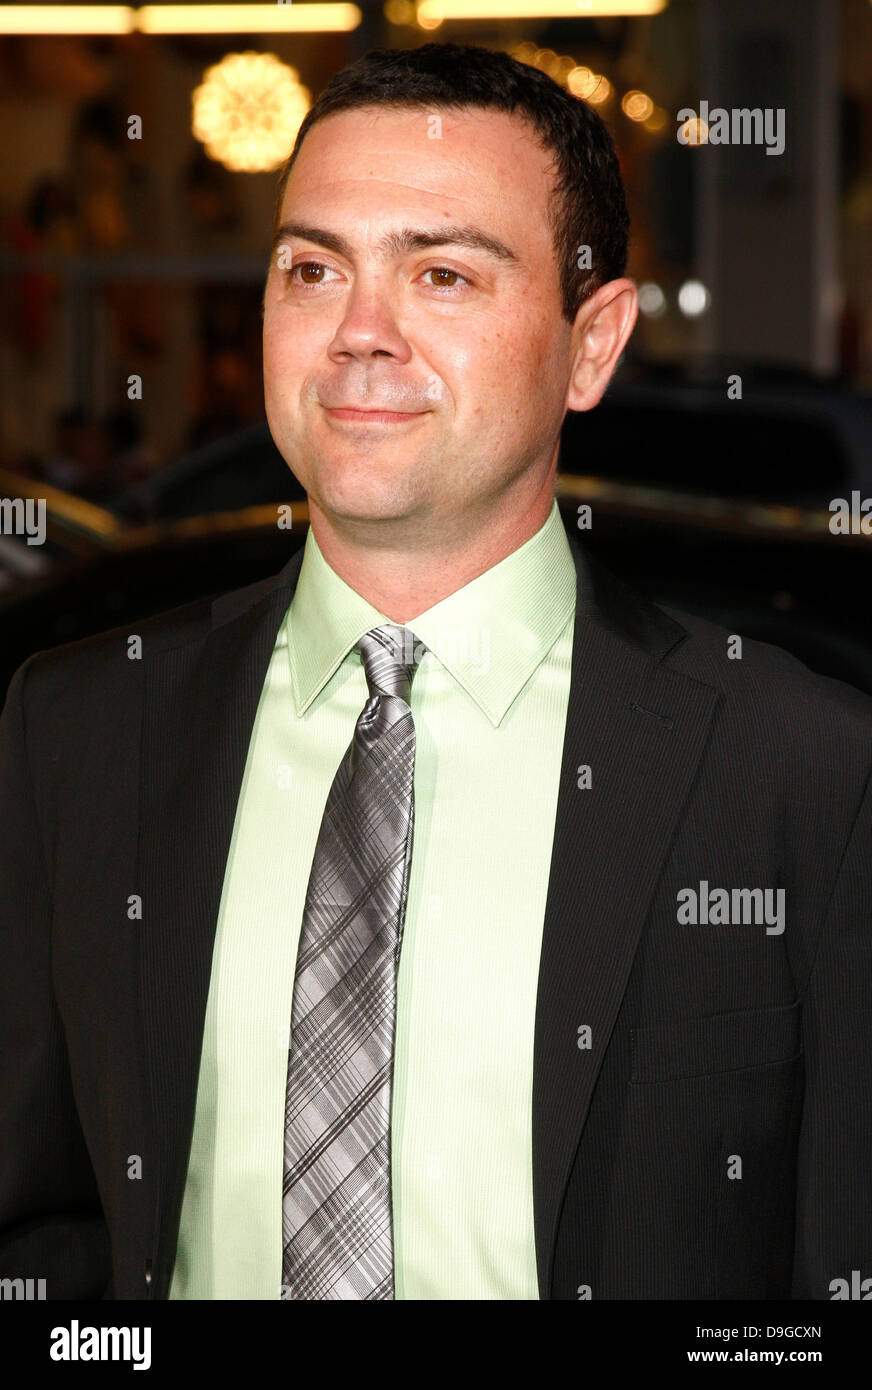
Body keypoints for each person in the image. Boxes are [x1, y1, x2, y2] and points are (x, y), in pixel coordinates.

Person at [1, 42, 870, 1303]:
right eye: (313, 269)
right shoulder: (76, 731)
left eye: (443, 273)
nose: (359, 332)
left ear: (591, 345)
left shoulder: (799, 769)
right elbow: (39, 1223)